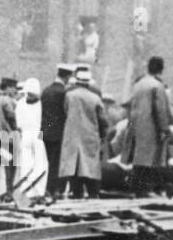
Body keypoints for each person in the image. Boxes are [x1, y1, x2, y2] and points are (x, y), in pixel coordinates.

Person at [122, 56, 173, 196]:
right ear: (161, 69)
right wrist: (165, 130)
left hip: (135, 127)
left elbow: (130, 106)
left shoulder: (138, 84)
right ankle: (149, 190)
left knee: (139, 160)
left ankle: (138, 189)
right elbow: (160, 110)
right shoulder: (157, 86)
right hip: (151, 129)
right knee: (152, 160)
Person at [59, 67, 109, 199]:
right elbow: (102, 119)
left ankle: (77, 193)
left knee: (74, 165)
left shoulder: (69, 96)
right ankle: (93, 194)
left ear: (77, 82)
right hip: (90, 134)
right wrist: (103, 134)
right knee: (90, 166)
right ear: (88, 83)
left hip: (73, 135)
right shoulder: (95, 98)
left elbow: (65, 111)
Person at [40, 63, 73, 197]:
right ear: (67, 77)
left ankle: (44, 188)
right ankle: (52, 190)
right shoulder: (64, 93)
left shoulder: (46, 90)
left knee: (45, 162)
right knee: (56, 163)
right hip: (59, 134)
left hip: (45, 132)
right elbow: (66, 113)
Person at [14, 78, 48, 200]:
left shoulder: (20, 103)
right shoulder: (41, 104)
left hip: (25, 134)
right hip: (39, 133)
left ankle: (27, 192)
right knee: (40, 163)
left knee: (26, 164)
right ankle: (39, 191)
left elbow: (18, 124)